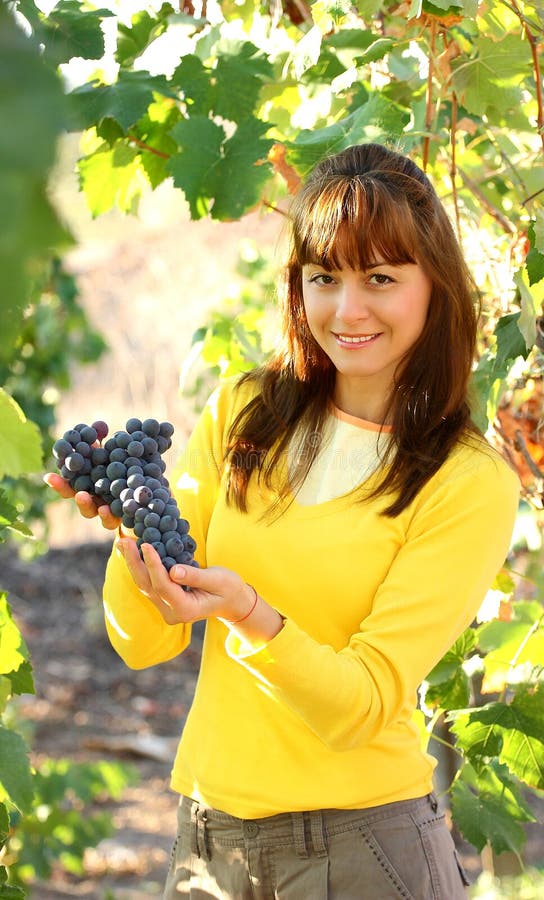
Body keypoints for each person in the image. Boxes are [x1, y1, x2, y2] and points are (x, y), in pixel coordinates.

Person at [46, 142, 520, 899]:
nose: (347, 309)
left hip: (361, 849)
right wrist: (130, 533)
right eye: (324, 277)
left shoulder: (467, 481)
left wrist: (249, 616)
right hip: (208, 842)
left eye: (381, 278)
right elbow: (141, 642)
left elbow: (362, 704)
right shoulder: (244, 413)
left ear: (435, 289)